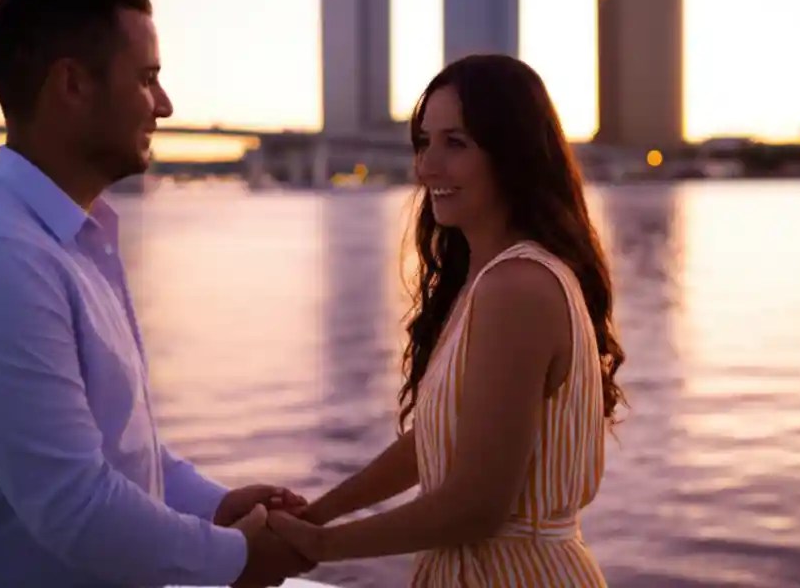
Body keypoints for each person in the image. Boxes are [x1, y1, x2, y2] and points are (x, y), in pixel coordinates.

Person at [0, 0, 311, 587]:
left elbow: (117, 449)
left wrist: (213, 507)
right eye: (147, 79)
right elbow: (76, 507)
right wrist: (237, 558)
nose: (165, 105)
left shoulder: (70, 241)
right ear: (72, 85)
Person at [268, 54, 627, 586]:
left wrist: (324, 545)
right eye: (424, 142)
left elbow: (477, 506)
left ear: (513, 155)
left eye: (455, 144)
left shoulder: (517, 288)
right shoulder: (486, 283)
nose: (427, 167)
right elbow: (436, 442)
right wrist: (318, 512)